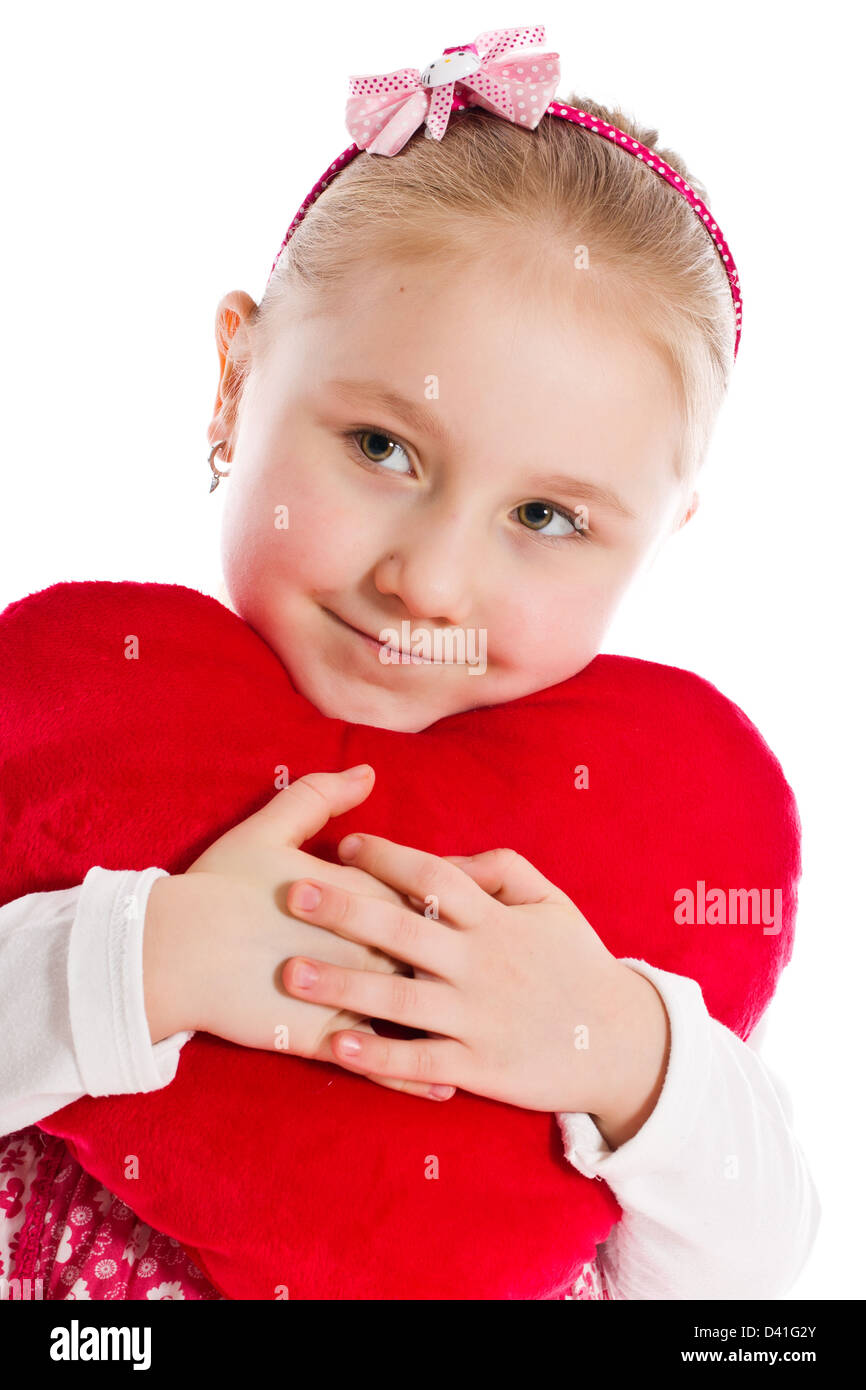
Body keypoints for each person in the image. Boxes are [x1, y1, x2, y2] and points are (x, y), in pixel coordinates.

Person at [0, 24, 819, 1301]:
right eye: (381, 446)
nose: (429, 582)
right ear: (235, 378)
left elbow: (751, 1276)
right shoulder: (71, 728)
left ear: (657, 541)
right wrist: (143, 960)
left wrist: (618, 1051)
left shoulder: (633, 860)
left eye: (546, 518)